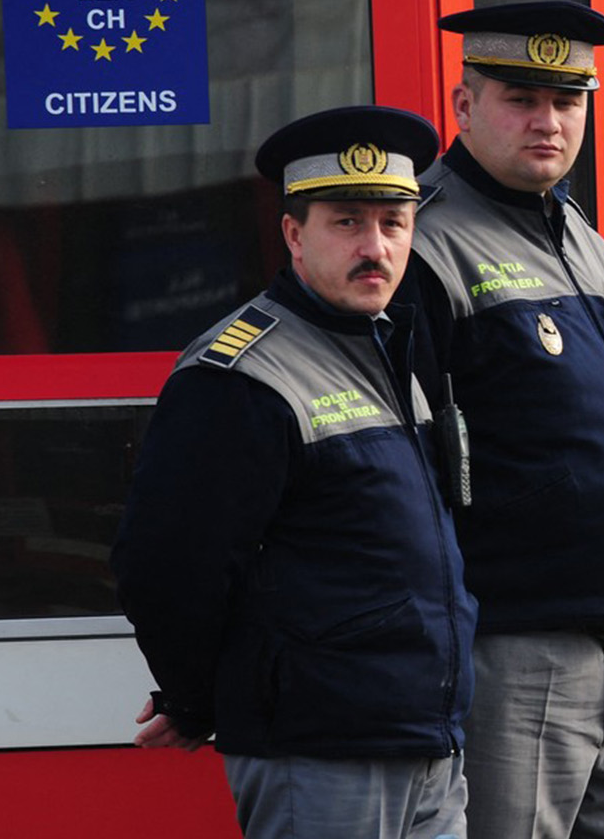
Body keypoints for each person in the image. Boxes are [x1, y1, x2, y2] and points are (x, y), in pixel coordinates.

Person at [110, 106, 477, 839]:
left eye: (394, 223)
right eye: (346, 222)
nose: (375, 246)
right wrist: (195, 700)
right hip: (320, 752)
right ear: (292, 234)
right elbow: (168, 564)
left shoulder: (394, 350)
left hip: (427, 745)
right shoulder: (242, 374)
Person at [409, 0, 604, 839]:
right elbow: (405, 467)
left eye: (567, 102)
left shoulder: (579, 234)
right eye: (520, 99)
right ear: (463, 106)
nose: (548, 122)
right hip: (511, 646)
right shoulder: (427, 245)